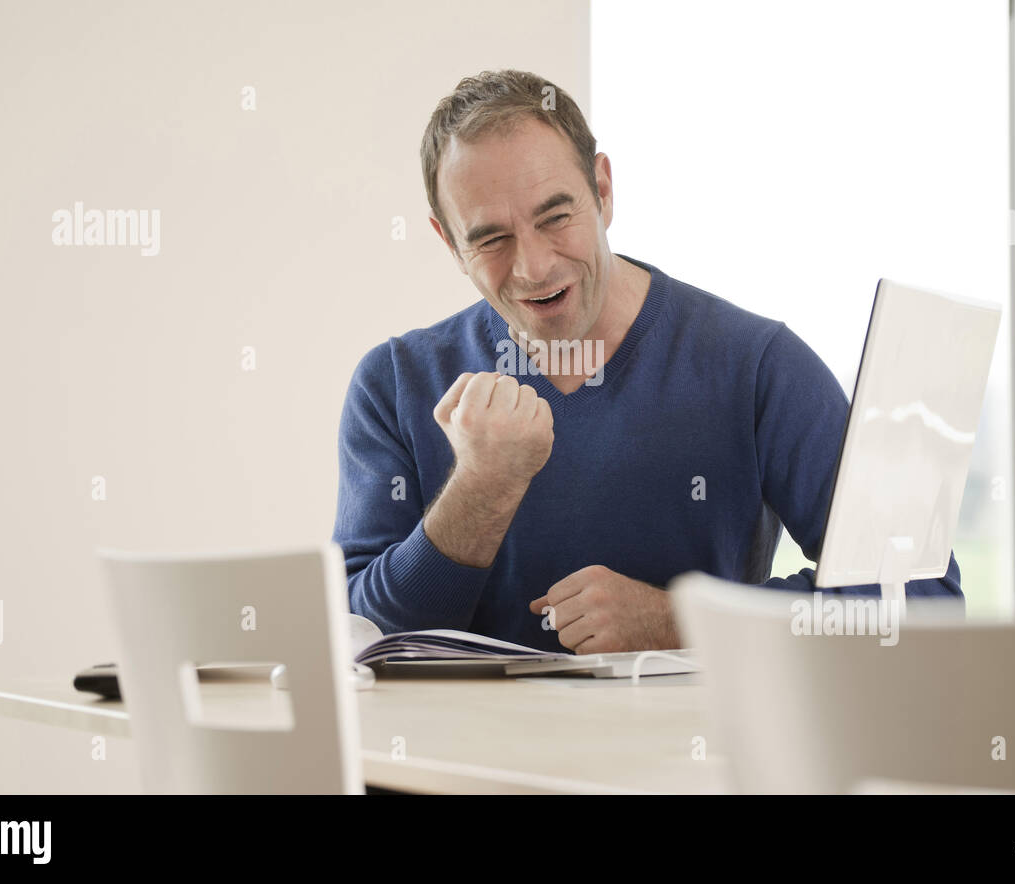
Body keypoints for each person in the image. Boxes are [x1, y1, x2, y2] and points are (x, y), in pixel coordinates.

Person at [334, 69, 963, 654]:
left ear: (602, 191)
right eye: (491, 239)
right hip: (459, 773)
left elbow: (920, 602)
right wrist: (481, 487)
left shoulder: (757, 365)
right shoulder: (394, 384)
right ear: (448, 242)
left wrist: (683, 620)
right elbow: (363, 640)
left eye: (556, 216)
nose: (534, 266)